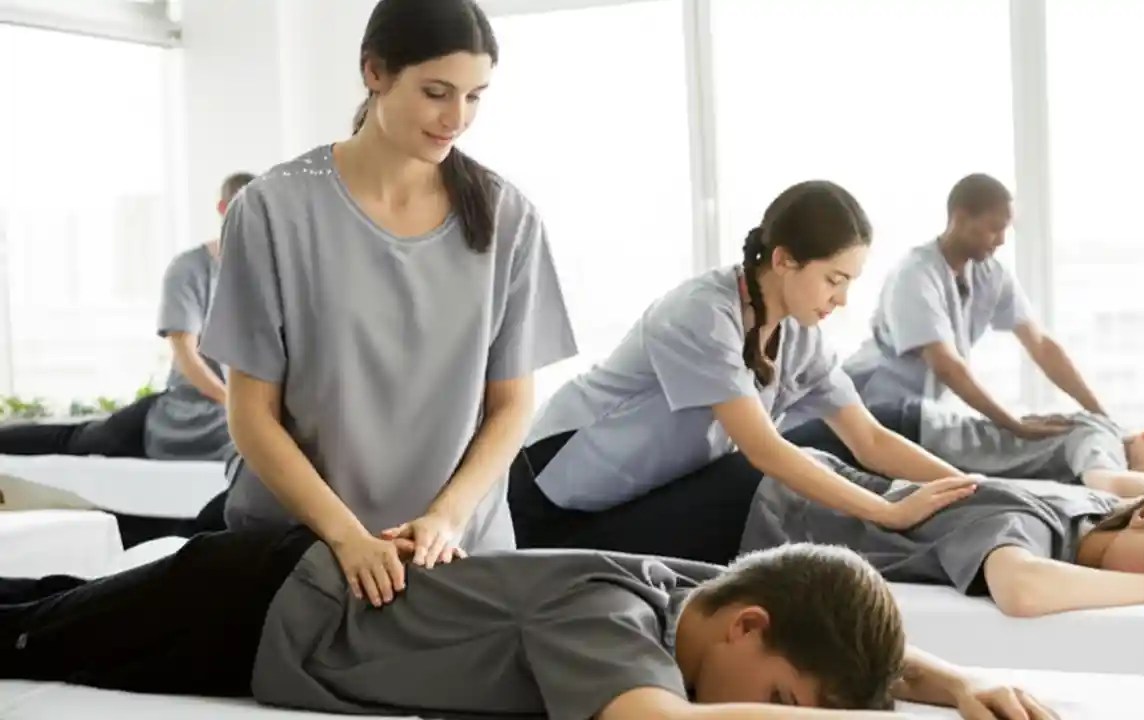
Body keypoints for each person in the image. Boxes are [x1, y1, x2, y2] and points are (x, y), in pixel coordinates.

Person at [200, 0, 577, 608]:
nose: (457, 117)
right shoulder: (274, 210)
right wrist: (348, 539)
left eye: (475, 96)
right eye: (437, 92)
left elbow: (511, 407)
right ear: (374, 72)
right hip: (303, 552)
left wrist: (447, 520)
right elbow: (251, 416)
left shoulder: (510, 218)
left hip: (456, 554)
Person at [0, 527, 1058, 720]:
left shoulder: (690, 591)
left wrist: (953, 684)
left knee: (44, 604)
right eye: (780, 705)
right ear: (743, 628)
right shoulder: (607, 616)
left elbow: (846, 633)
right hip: (242, 610)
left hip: (265, 594)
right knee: (26, 639)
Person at [512, 181, 979, 560]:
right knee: (756, 481)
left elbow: (870, 440)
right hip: (552, 500)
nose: (842, 300)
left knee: (797, 465)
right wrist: (887, 512)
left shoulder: (799, 336)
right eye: (834, 280)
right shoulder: (701, 313)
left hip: (641, 495)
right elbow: (764, 451)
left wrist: (969, 489)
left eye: (849, 283)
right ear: (783, 260)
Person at [518, 442, 1144, 617]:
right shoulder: (1033, 524)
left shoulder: (1087, 523)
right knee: (539, 531)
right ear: (1142, 513)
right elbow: (1018, 592)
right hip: (754, 508)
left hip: (769, 501)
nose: (1140, 578)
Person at [0, 172, 253, 462]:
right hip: (181, 415)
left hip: (228, 412)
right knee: (76, 439)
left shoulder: (263, 275)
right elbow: (187, 357)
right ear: (223, 209)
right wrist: (234, 403)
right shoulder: (190, 269)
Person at [843, 174, 1105, 441]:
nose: (1002, 239)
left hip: (923, 415)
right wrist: (1014, 424)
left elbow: (1041, 345)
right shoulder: (914, 276)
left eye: (1006, 229)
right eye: (994, 228)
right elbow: (947, 365)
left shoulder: (991, 274)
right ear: (960, 218)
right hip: (874, 407)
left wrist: (1101, 416)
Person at [791, 399, 1144, 498]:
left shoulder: (1098, 432)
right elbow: (1104, 482)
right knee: (774, 453)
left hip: (915, 433)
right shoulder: (1101, 439)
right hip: (908, 432)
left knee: (783, 457)